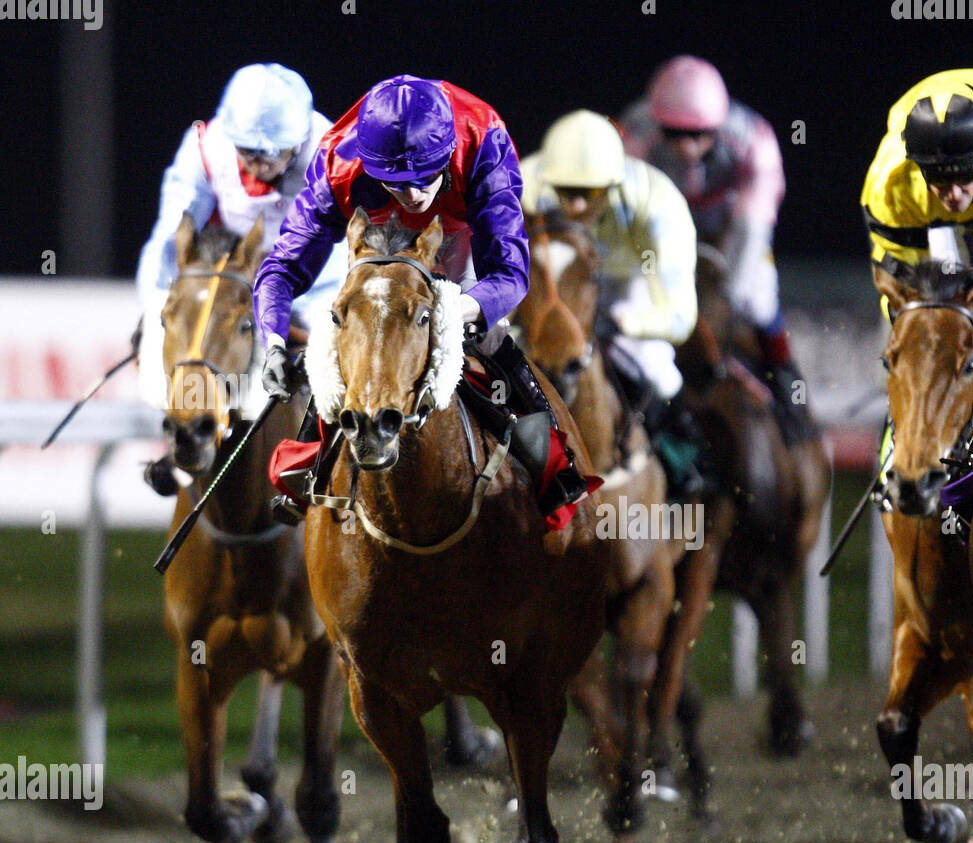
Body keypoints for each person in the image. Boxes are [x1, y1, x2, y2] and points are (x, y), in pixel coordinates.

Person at [251, 74, 591, 524]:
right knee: (347, 328)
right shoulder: (338, 159)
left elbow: (509, 274)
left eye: (424, 177)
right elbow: (282, 269)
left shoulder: (485, 139)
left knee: (492, 338)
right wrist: (272, 342)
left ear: (448, 152)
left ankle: (554, 469)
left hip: (460, 242)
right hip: (377, 249)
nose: (412, 194)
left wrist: (450, 311)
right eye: (395, 180)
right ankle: (312, 462)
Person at [135, 63, 346, 494]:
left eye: (271, 153)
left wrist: (290, 311)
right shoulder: (205, 147)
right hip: (233, 277)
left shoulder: (329, 155)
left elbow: (334, 249)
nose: (258, 164)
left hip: (315, 275)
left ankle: (340, 461)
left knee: (327, 353)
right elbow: (168, 238)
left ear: (299, 141)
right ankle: (189, 444)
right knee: (175, 333)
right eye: (247, 151)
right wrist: (160, 302)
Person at [621, 55, 815, 444]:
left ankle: (787, 388)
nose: (687, 147)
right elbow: (629, 216)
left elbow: (753, 226)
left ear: (718, 124)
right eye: (674, 134)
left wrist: (732, 293)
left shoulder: (753, 138)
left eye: (697, 135)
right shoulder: (634, 132)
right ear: (658, 123)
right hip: (661, 230)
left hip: (729, 230)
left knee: (757, 299)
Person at [520, 109, 705, 497]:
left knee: (655, 366)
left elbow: (680, 316)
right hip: (555, 280)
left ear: (613, 184)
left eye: (589, 193)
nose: (577, 206)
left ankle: (682, 462)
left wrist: (624, 322)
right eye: (566, 192)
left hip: (629, 280)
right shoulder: (523, 187)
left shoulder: (659, 204)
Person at [860, 69, 973, 282]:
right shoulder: (892, 185)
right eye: (939, 179)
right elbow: (898, 274)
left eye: (965, 176)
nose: (954, 194)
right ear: (919, 169)